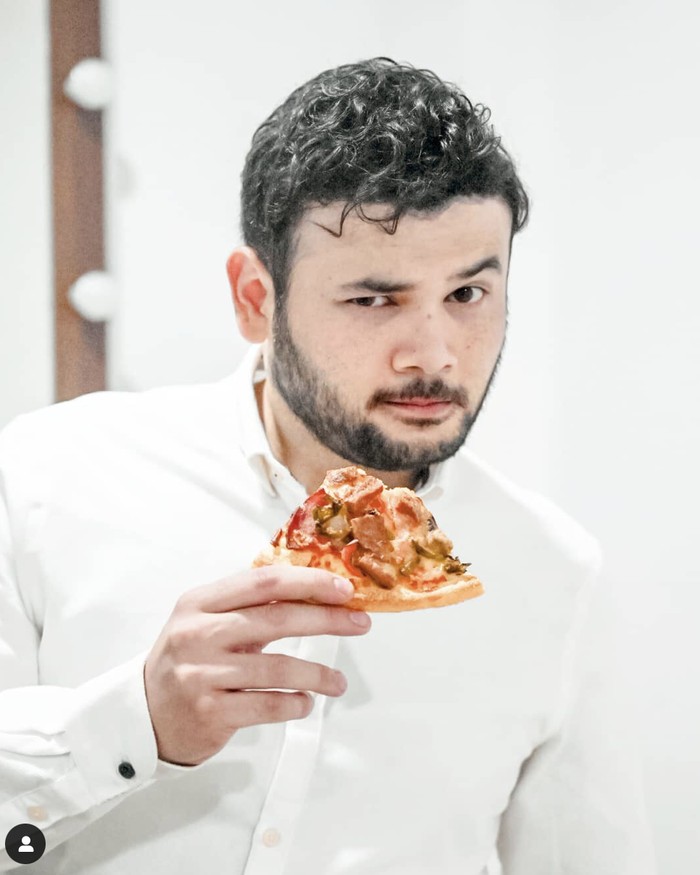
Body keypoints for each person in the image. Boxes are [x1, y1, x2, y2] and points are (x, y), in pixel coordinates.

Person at [0, 57, 655, 874]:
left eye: (467, 295)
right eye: (373, 299)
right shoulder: (46, 480)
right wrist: (134, 724)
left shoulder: (555, 575)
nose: (434, 354)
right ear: (254, 298)